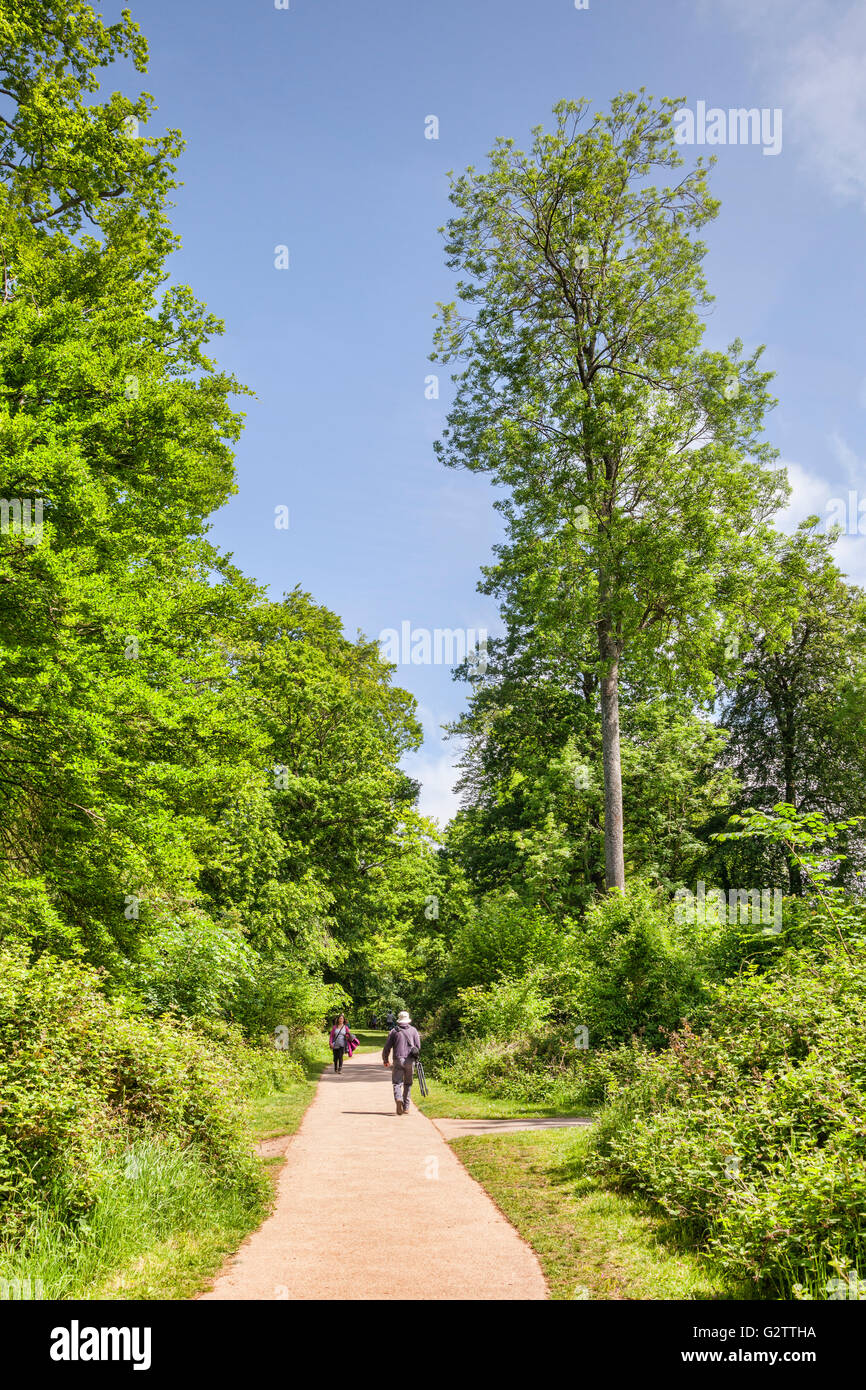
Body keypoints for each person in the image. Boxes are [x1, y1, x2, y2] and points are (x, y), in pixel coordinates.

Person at [382, 1010, 421, 1115]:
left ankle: (398, 1099)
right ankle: (406, 1107)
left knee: (397, 1082)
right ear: (408, 1020)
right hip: (410, 1060)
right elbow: (418, 1047)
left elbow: (387, 1047)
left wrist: (385, 1060)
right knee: (408, 1083)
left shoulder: (394, 1031)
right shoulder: (413, 1030)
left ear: (399, 1020)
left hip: (398, 1059)